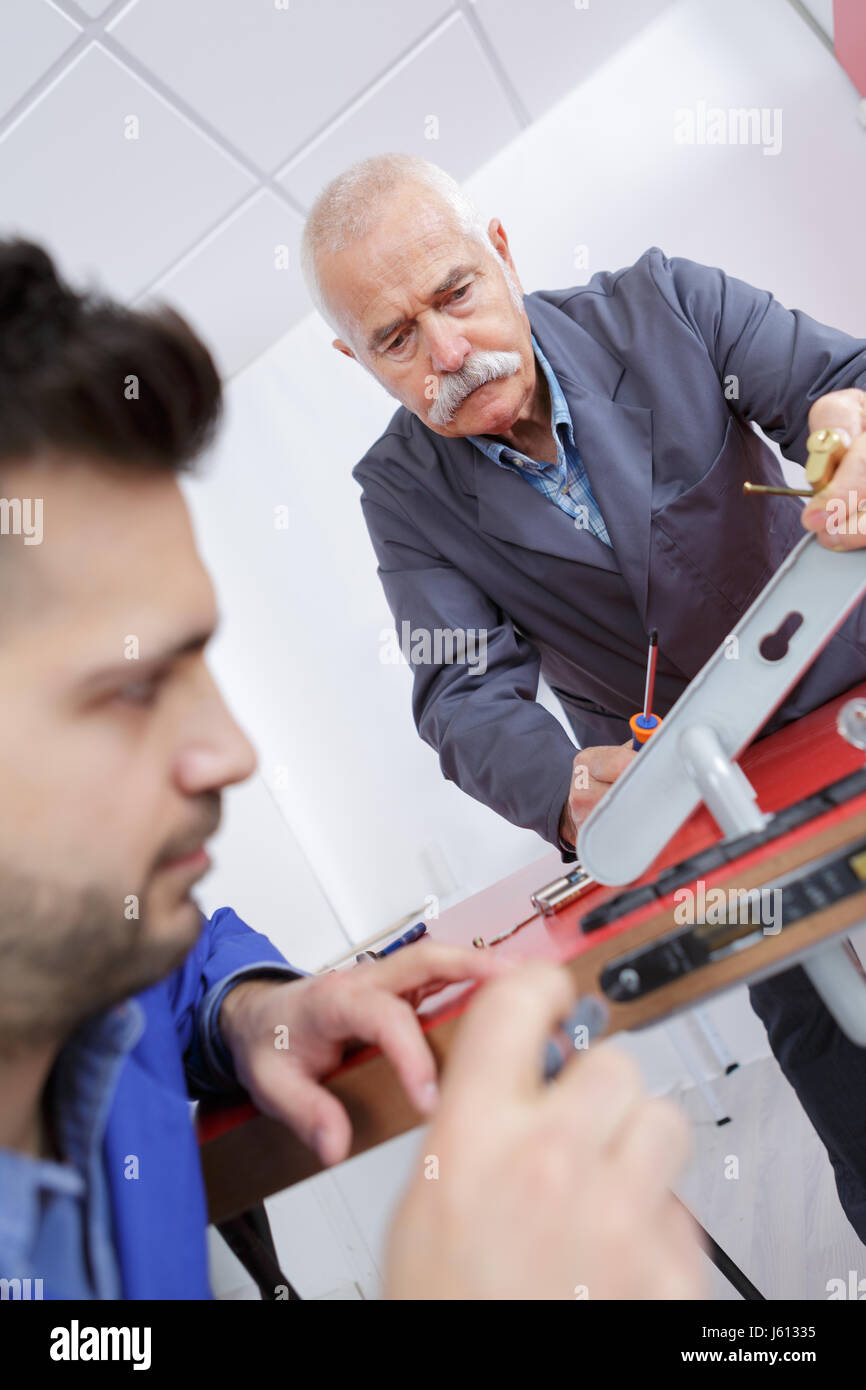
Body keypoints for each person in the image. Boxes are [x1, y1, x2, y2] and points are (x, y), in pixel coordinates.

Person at [0, 239, 702, 1301]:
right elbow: (461, 695)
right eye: (127, 688)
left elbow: (174, 979)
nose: (231, 753)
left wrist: (258, 1009)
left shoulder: (86, 951)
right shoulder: (404, 489)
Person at [300, 152, 866, 1242]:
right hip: (700, 802)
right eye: (396, 339)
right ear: (355, 360)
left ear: (500, 252)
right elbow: (461, 690)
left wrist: (855, 425)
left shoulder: (665, 302)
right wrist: (561, 785)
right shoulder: (401, 494)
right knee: (828, 1050)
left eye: (454, 293)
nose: (447, 352)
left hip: (854, 694)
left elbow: (836, 377)